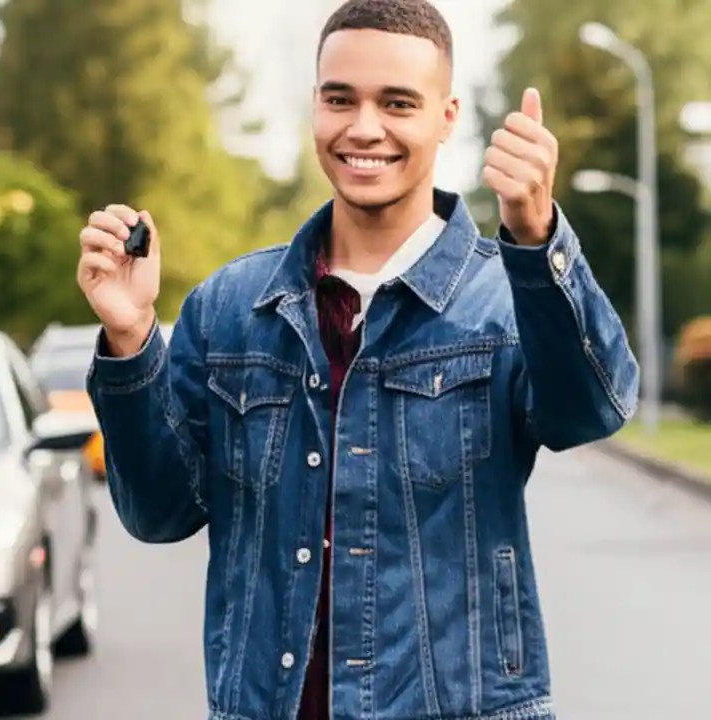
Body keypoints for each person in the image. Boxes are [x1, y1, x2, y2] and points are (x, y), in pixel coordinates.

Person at [76, 1, 640, 718]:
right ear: (316, 105)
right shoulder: (229, 307)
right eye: (340, 99)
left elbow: (591, 410)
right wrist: (130, 339)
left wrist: (538, 238)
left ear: (446, 116)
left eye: (397, 102)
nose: (364, 127)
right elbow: (159, 513)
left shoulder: (504, 296)